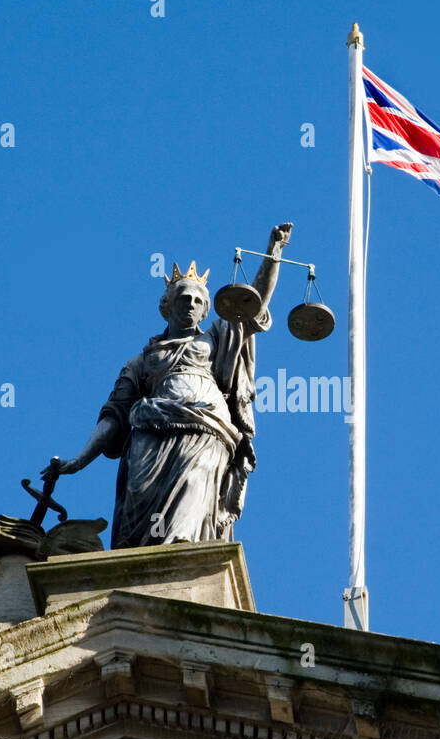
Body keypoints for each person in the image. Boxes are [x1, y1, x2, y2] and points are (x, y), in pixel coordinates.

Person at [42, 223, 292, 548]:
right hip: (150, 429)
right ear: (167, 304)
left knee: (194, 480)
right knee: (140, 495)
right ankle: (144, 561)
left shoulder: (214, 338)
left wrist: (273, 254)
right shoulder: (140, 361)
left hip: (206, 427)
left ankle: (182, 549)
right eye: (183, 297)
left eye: (197, 300)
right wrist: (81, 458)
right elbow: (113, 417)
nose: (190, 303)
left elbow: (252, 302)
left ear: (206, 309)